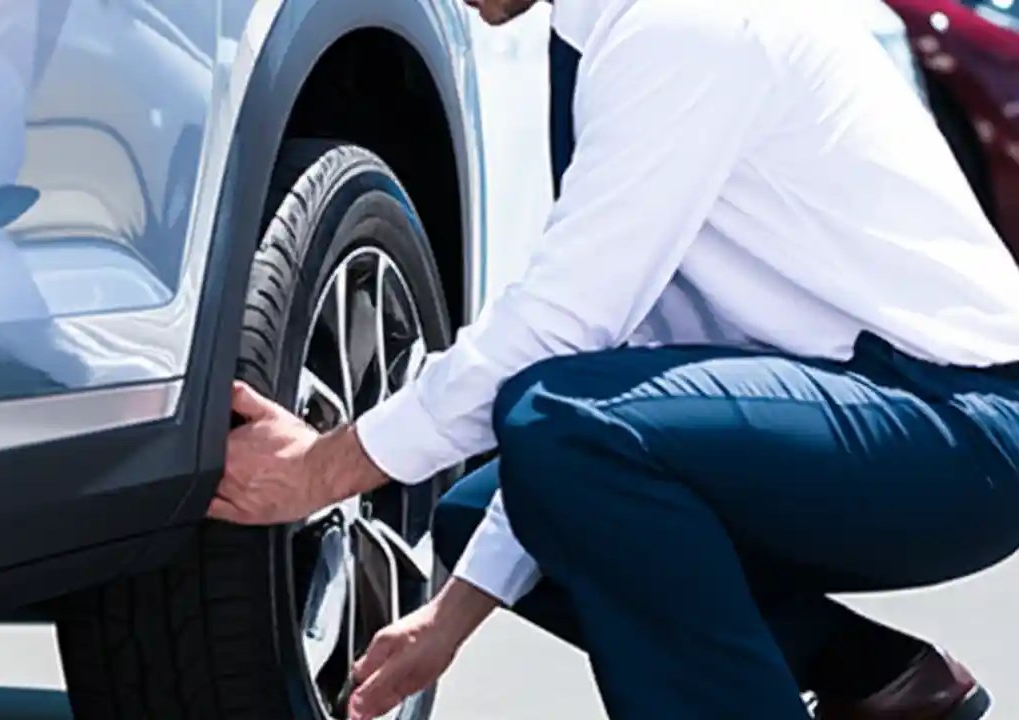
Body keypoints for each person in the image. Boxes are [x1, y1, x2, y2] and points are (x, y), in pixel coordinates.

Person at [208, 0, 1019, 718]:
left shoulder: (685, 24)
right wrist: (448, 618)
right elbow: (615, 347)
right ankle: (883, 679)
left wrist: (326, 467)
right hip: (878, 411)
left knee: (561, 430)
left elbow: (563, 327)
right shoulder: (605, 32)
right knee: (501, 496)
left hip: (957, 424)